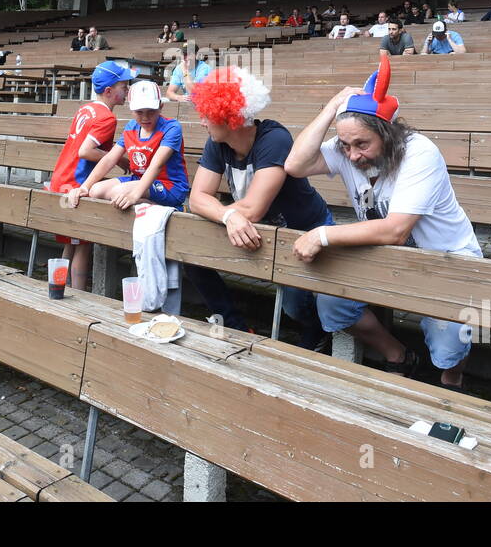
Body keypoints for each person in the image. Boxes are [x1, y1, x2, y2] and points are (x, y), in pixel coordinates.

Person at [285, 52, 483, 386]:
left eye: (362, 144)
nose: (352, 155)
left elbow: (395, 229)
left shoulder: (419, 152)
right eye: (346, 145)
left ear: (387, 133)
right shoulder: (350, 145)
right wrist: (332, 107)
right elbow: (295, 165)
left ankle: (452, 379)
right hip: (382, 257)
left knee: (449, 343)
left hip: (446, 259)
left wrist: (322, 235)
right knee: (332, 303)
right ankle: (398, 355)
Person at [187, 67, 330, 348]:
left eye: (208, 115)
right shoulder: (217, 143)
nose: (202, 121)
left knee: (295, 307)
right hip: (256, 230)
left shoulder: (274, 138)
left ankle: (317, 334)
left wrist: (228, 212)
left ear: (229, 117)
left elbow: (253, 209)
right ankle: (235, 325)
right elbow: (197, 199)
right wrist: (227, 214)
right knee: (192, 250)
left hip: (300, 232)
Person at [47, 61, 134, 290]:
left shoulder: (86, 109)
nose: (127, 90)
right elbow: (85, 150)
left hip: (61, 178)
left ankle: (58, 287)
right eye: (123, 86)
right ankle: (77, 294)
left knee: (70, 240)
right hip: (74, 184)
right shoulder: (107, 118)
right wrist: (118, 158)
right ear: (109, 91)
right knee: (82, 244)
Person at [68, 80, 189, 210]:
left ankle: (168, 207)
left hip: (169, 186)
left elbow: (157, 165)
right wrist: (84, 187)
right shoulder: (131, 127)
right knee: (95, 191)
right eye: (139, 112)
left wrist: (134, 195)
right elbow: (109, 159)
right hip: (139, 180)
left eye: (151, 111)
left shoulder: (171, 128)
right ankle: (144, 202)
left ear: (160, 106)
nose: (145, 117)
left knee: (119, 193)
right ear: (131, 109)